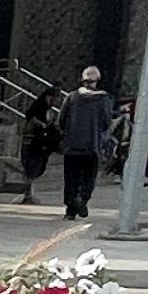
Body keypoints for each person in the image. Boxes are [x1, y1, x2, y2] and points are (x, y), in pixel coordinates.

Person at [56, 65, 116, 221]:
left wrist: (67, 134)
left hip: (72, 146)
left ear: (82, 80)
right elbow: (106, 122)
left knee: (71, 178)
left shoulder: (71, 97)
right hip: (92, 146)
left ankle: (70, 209)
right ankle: (82, 199)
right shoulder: (103, 99)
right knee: (88, 177)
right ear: (97, 81)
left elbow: (61, 121)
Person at [19, 84, 58, 203]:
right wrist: (41, 125)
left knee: (37, 168)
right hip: (32, 143)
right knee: (30, 168)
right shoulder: (37, 109)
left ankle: (29, 194)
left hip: (41, 144)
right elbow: (31, 118)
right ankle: (27, 195)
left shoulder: (49, 111)